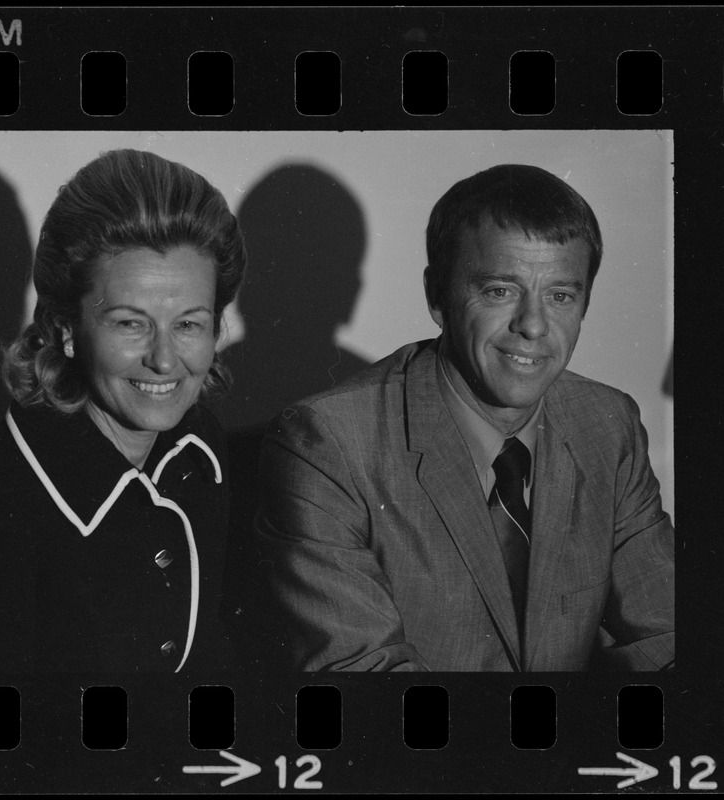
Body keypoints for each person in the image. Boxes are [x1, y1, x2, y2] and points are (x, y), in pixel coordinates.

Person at [256, 164, 674, 672]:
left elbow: (665, 637)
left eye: (561, 296)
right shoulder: (328, 444)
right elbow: (363, 679)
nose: (534, 326)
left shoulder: (608, 424)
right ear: (438, 296)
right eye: (501, 290)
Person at [0, 149, 247, 676]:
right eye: (129, 323)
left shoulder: (201, 443)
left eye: (188, 324)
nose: (164, 360)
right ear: (66, 328)